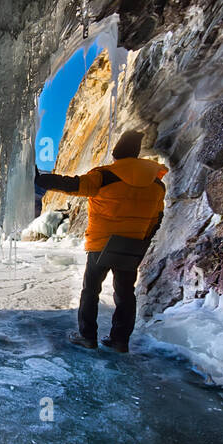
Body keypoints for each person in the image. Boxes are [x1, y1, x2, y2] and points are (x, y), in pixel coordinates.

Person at [34, 129, 167, 353]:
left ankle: (87, 336)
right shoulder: (157, 184)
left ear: (116, 155)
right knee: (125, 293)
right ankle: (119, 341)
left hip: (102, 243)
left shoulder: (105, 176)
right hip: (132, 244)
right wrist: (142, 241)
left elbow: (72, 185)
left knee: (91, 290)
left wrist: (40, 179)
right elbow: (157, 218)